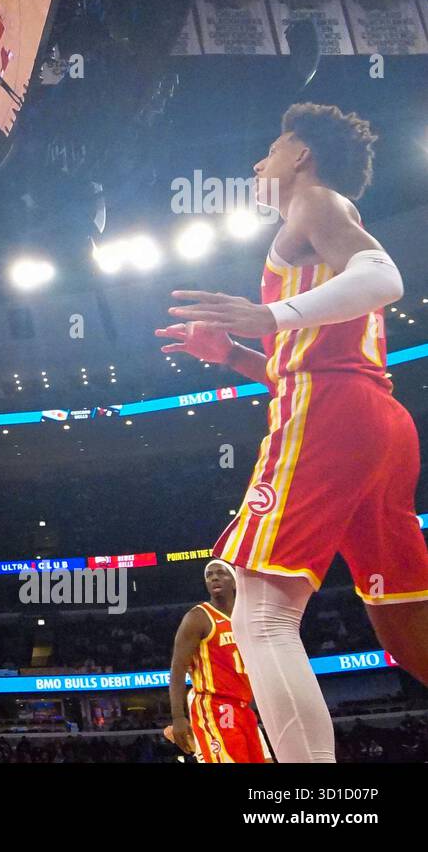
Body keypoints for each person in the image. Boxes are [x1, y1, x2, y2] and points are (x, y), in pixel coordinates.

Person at [156, 103, 427, 762]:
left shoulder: (313, 204)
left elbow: (384, 276)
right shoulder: (310, 233)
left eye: (272, 148)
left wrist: (268, 314)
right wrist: (231, 356)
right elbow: (298, 366)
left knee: (261, 613)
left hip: (331, 415)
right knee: (405, 624)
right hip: (373, 420)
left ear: (301, 156)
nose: (257, 162)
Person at [166, 560, 271, 763]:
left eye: (221, 573)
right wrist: (178, 717)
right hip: (214, 706)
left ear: (234, 582)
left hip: (244, 708)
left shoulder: (246, 619)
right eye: (209, 575)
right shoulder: (198, 617)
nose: (214, 577)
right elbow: (177, 669)